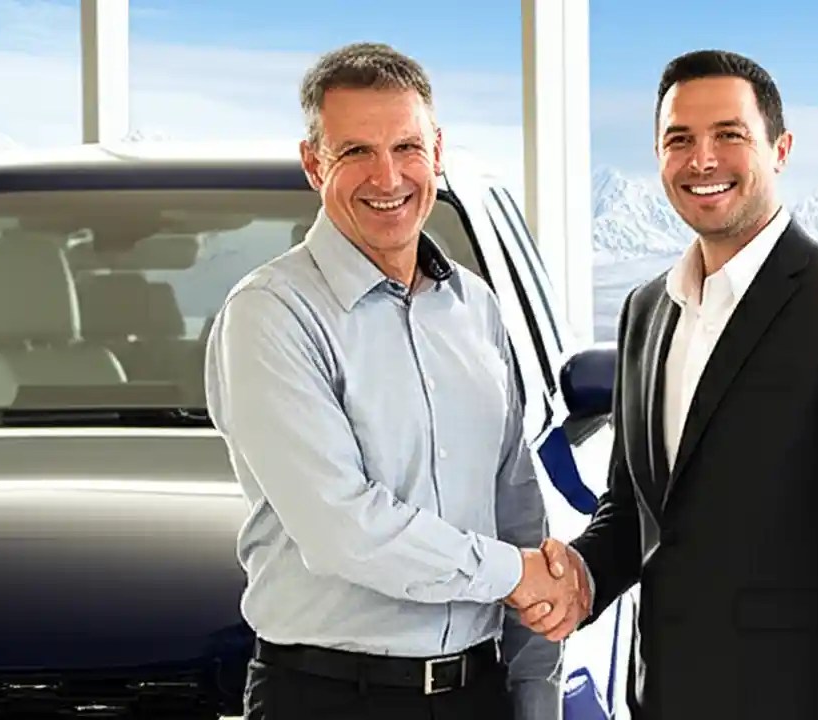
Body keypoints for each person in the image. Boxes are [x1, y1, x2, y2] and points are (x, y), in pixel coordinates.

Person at [523, 49, 818, 720]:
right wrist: (579, 578)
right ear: (658, 155)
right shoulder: (645, 312)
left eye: (729, 134)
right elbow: (633, 511)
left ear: (780, 149)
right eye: (679, 140)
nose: (702, 159)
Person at [203, 42, 573, 720]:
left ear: (437, 151)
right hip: (331, 698)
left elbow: (517, 506)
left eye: (406, 147)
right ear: (314, 164)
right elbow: (342, 527)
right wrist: (514, 575)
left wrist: (533, 692)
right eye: (355, 152)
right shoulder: (271, 314)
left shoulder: (475, 308)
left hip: (476, 695)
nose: (388, 176)